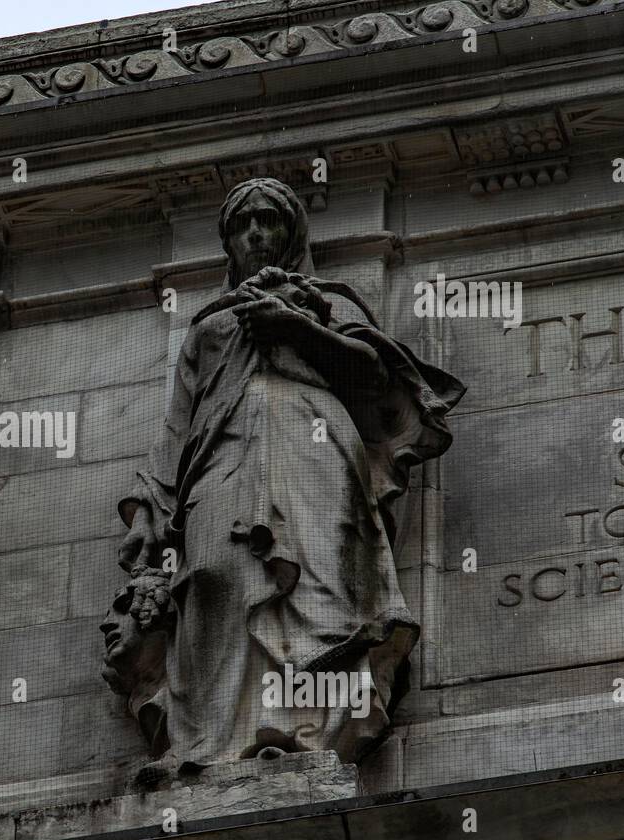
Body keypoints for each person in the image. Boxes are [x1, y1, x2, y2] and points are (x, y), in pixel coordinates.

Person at [117, 178, 465, 768]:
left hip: (316, 452)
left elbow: (372, 377)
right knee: (211, 580)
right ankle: (213, 745)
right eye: (243, 223)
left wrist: (298, 328)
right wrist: (151, 505)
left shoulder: (330, 301)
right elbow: (177, 427)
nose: (256, 232)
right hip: (220, 464)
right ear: (228, 241)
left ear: (291, 233)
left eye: (269, 220)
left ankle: (309, 730)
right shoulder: (208, 326)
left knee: (320, 589)